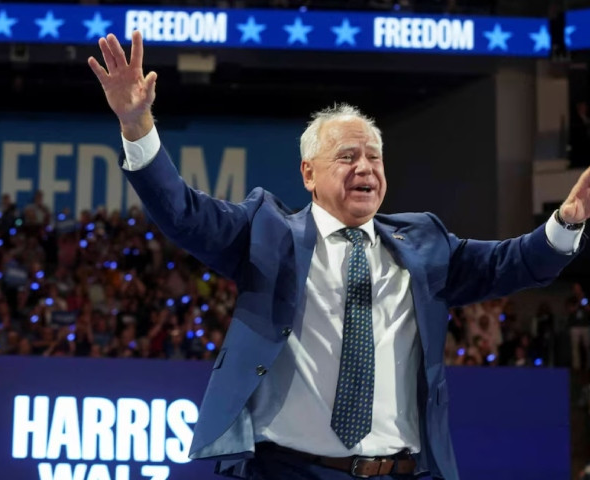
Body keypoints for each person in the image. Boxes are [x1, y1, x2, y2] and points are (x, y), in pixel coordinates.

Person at [88, 31, 590, 480]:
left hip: (403, 469)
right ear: (308, 174)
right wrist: (137, 125)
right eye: (347, 157)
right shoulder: (266, 232)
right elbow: (183, 212)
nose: (364, 167)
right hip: (286, 469)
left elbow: (514, 263)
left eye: (373, 156)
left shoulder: (426, 243)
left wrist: (566, 223)